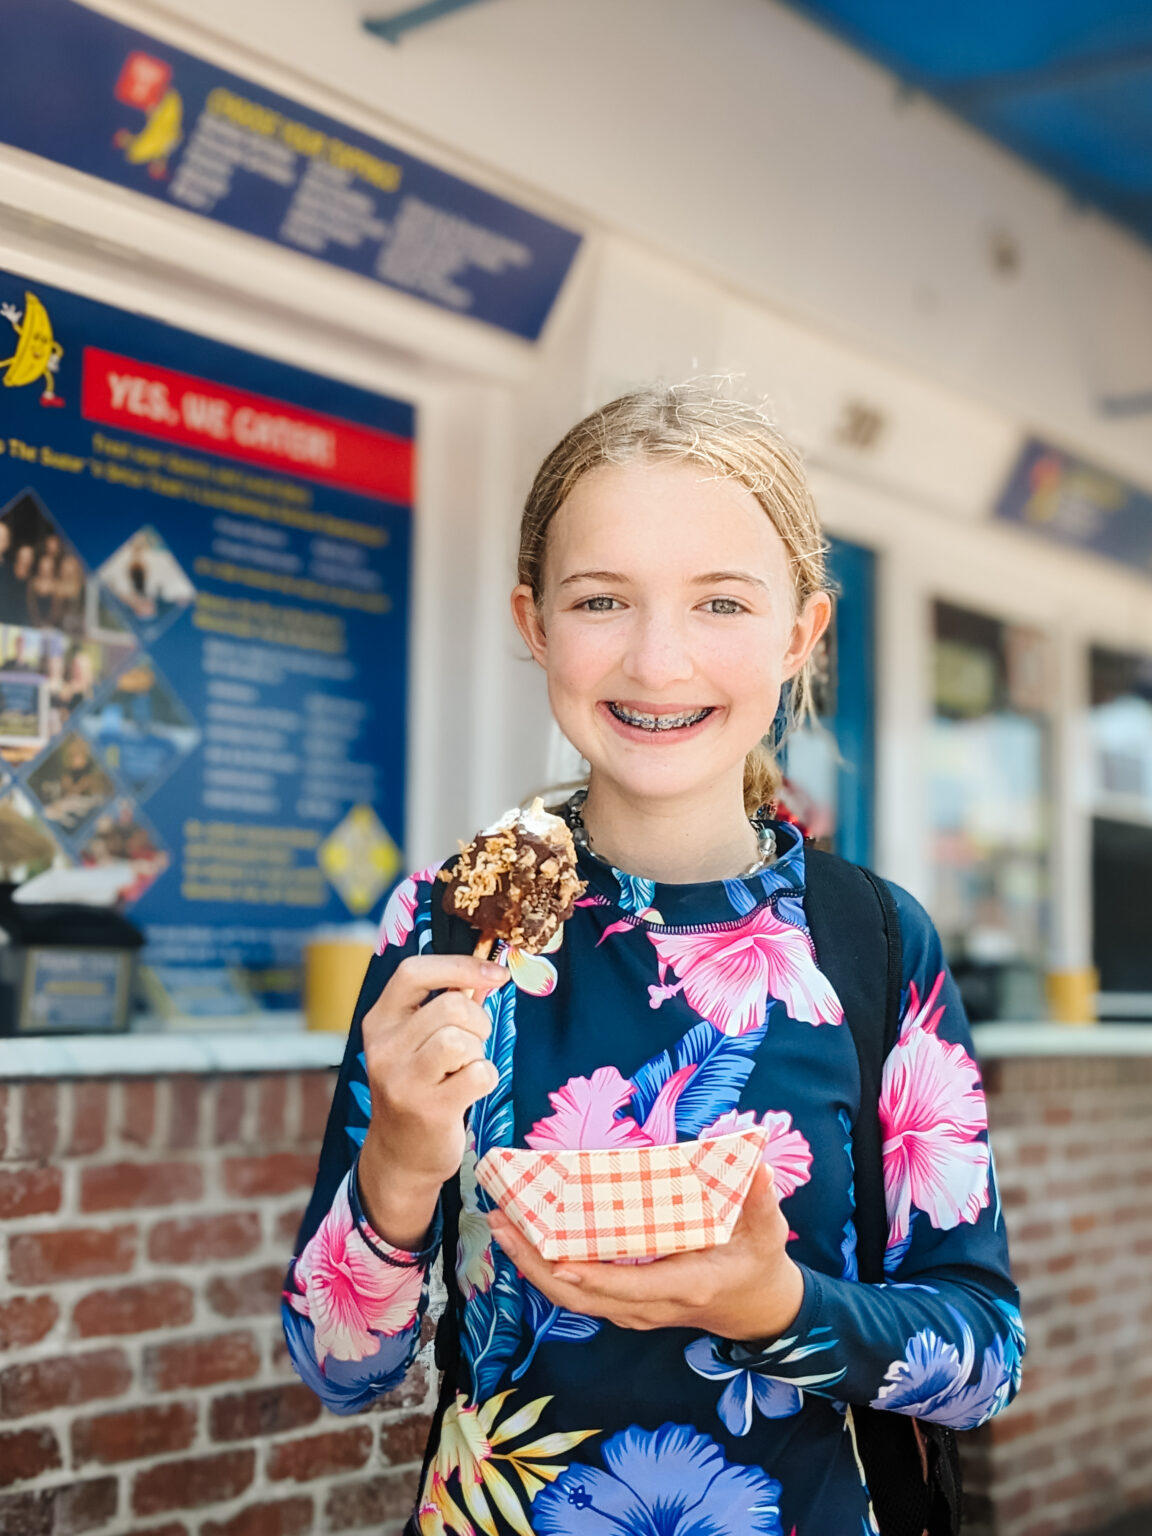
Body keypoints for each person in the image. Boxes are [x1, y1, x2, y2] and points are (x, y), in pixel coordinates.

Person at [284, 384, 1024, 1536]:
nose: (659, 658)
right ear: (535, 625)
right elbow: (340, 1366)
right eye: (601, 600)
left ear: (800, 634)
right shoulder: (443, 926)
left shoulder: (878, 942)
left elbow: (984, 1360)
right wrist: (399, 1164)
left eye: (721, 602)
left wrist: (779, 1305)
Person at [25, 550, 57, 627]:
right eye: (43, 566)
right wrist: (37, 623)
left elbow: (56, 610)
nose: (46, 570)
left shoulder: (57, 586)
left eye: (48, 567)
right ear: (39, 566)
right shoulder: (32, 583)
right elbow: (31, 606)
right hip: (32, 624)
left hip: (51, 627)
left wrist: (48, 624)